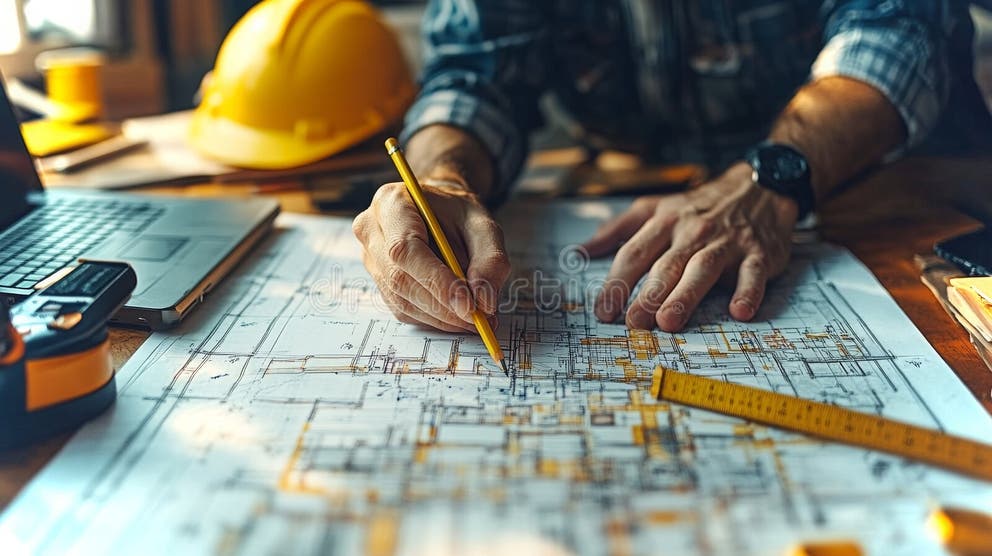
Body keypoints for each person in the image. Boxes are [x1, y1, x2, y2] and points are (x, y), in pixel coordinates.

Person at [353, 0, 989, 334]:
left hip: (898, 193)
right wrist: (442, 178)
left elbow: (901, 26)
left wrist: (770, 176)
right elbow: (474, 74)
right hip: (649, 191)